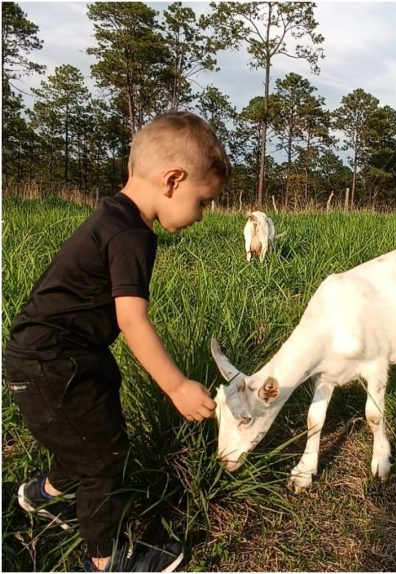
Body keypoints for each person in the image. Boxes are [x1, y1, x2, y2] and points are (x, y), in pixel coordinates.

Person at [3, 112, 229, 572]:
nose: (201, 215)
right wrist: (177, 386)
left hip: (48, 358)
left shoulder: (112, 216)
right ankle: (109, 562)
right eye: (202, 202)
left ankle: (39, 497)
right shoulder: (131, 235)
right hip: (55, 363)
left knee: (84, 442)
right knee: (104, 457)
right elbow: (132, 320)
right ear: (172, 180)